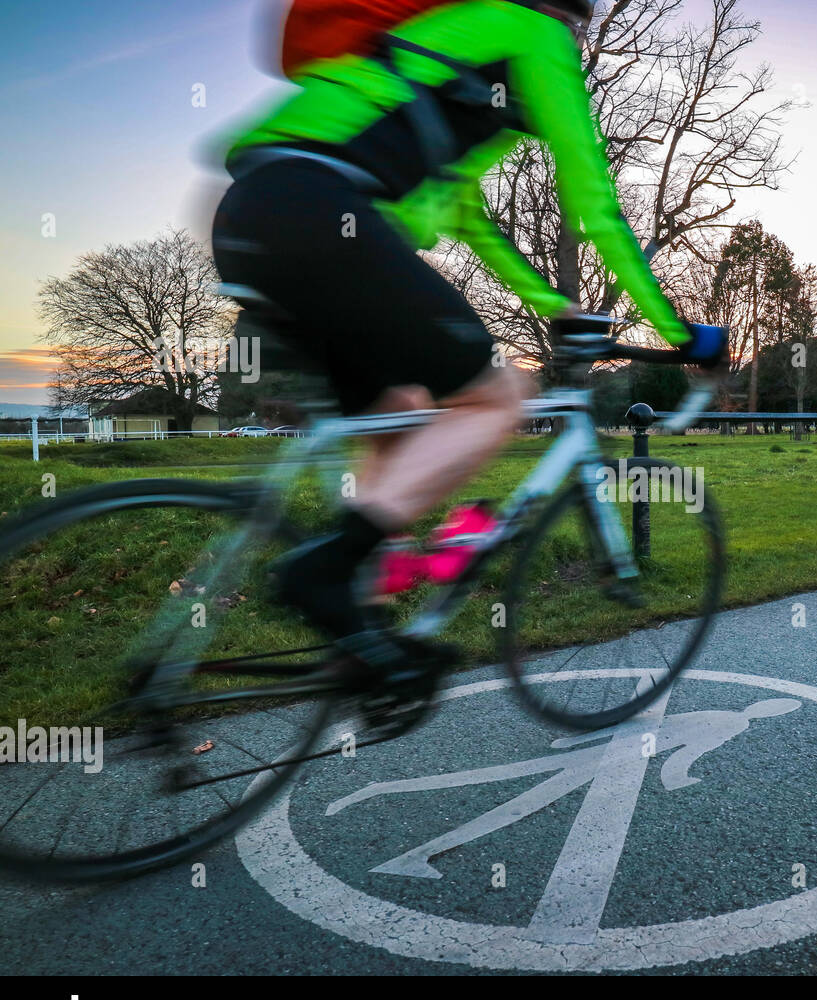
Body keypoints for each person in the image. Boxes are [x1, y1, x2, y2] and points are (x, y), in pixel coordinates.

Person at [211, 0, 713, 672]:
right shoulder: (534, 30)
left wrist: (554, 304)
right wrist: (681, 332)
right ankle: (325, 573)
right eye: (582, 31)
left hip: (254, 215)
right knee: (499, 397)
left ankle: (364, 631)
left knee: (400, 414)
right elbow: (593, 199)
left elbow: (471, 218)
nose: (580, 48)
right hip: (325, 215)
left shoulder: (446, 67)